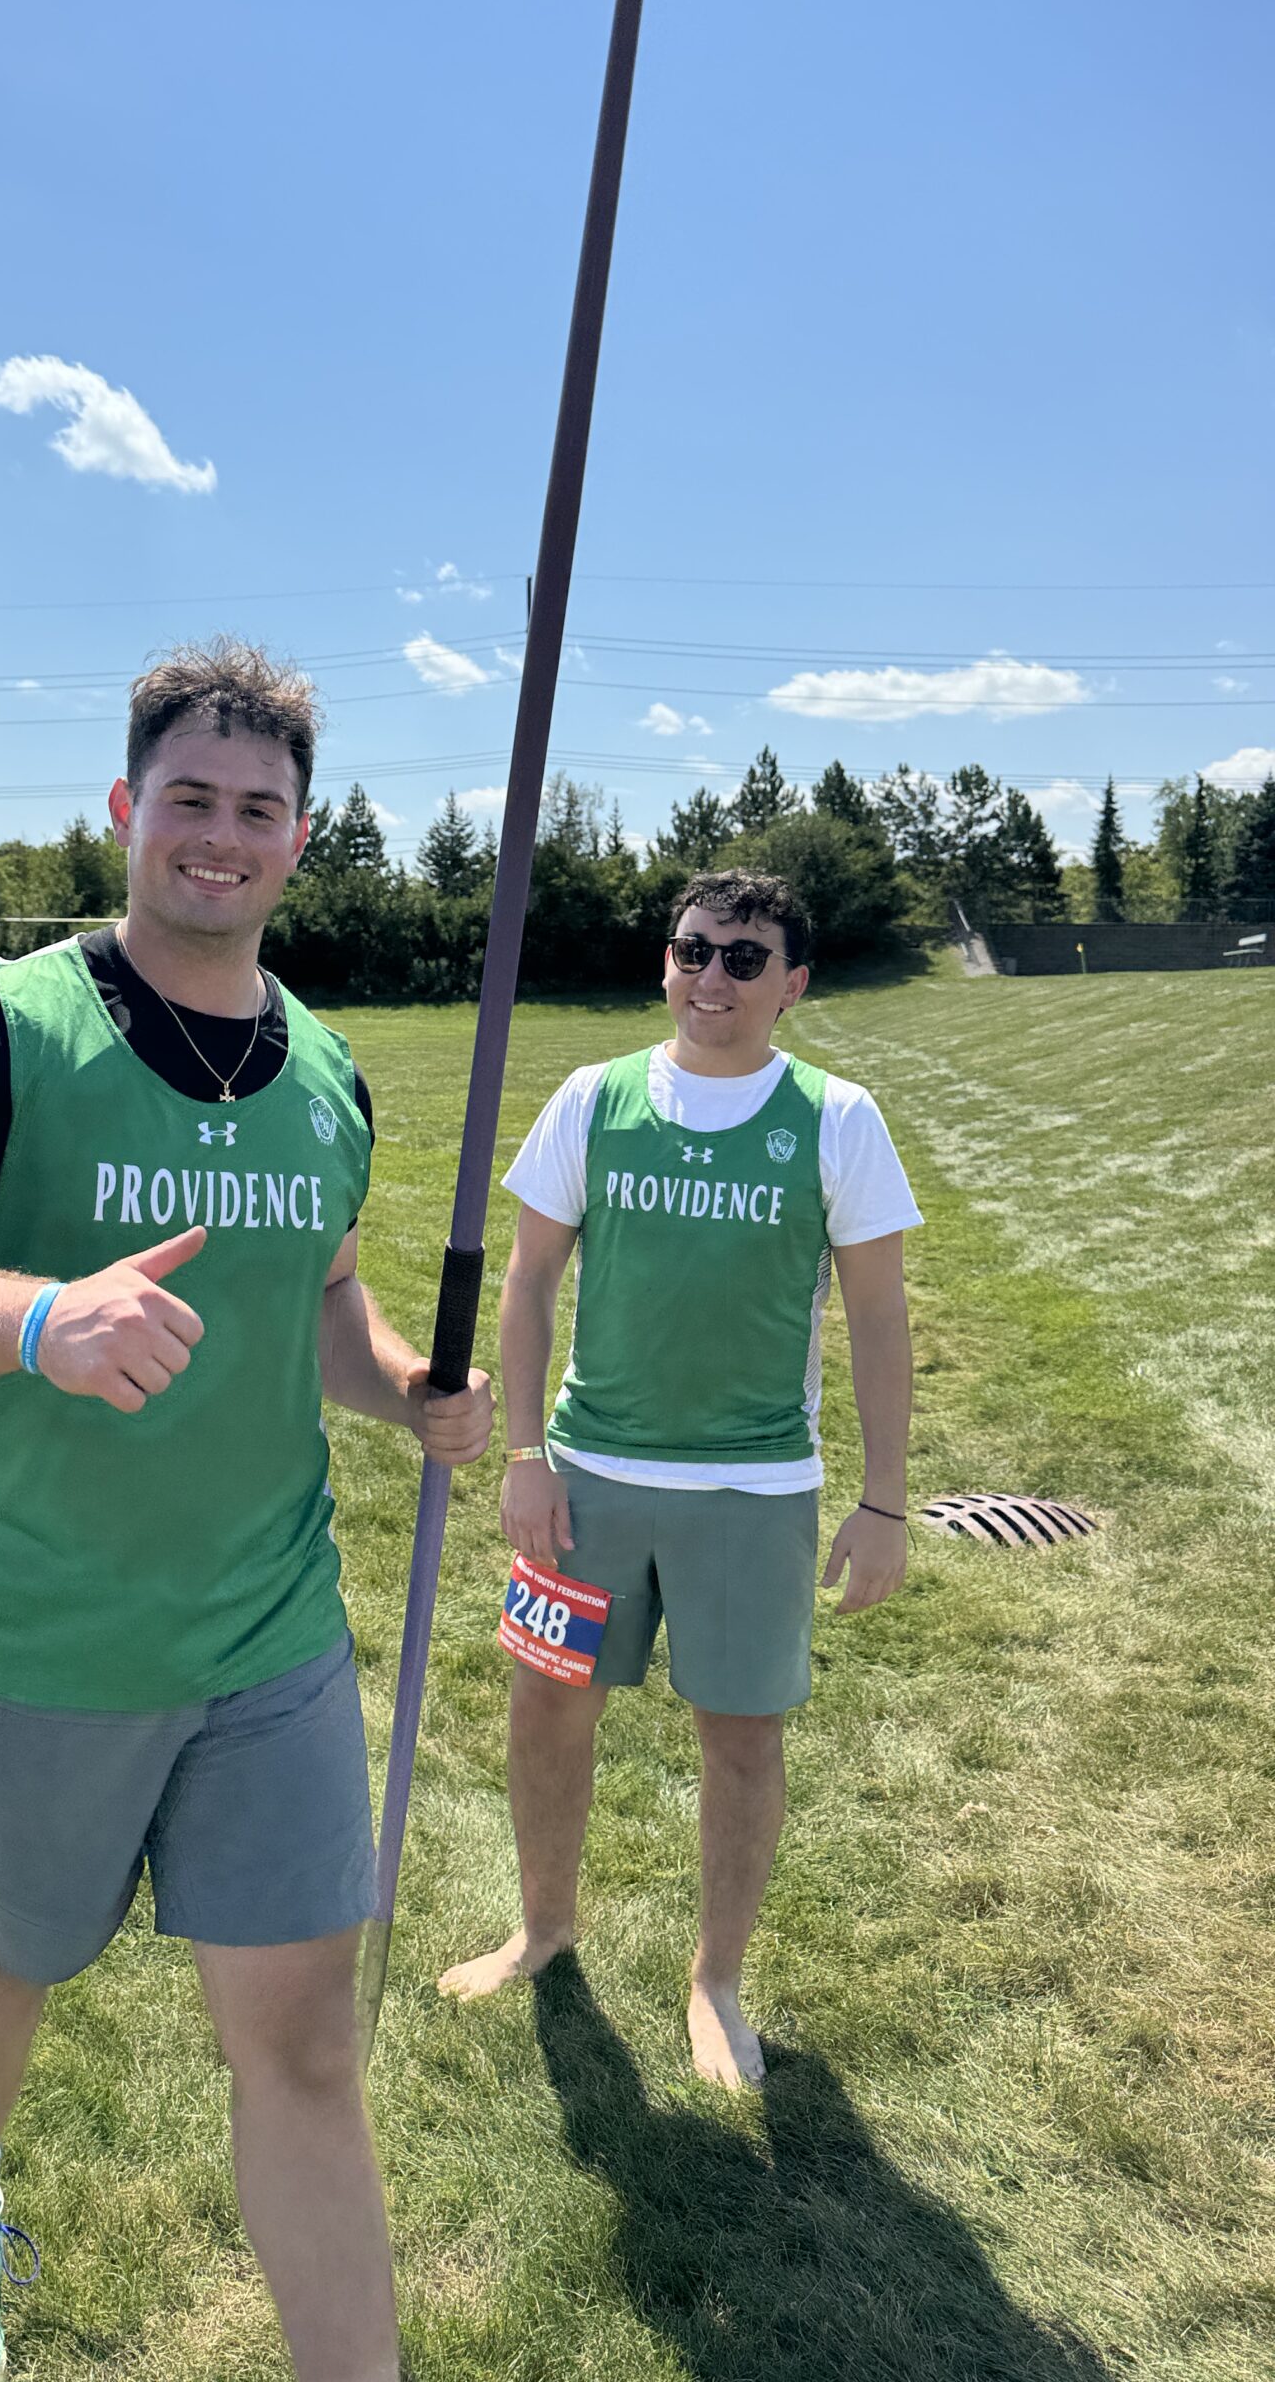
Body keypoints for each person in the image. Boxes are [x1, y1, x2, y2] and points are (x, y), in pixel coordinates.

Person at [0, 638, 492, 2382]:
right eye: (189, 797)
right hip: (38, 1624)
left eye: (259, 808)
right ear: (126, 810)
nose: (222, 833)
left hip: (267, 1630)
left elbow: (322, 1314)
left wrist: (409, 1386)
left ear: (299, 840)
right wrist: (40, 1318)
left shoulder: (330, 1073)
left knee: (311, 2047)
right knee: (5, 1963)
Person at [438, 869, 919, 2088]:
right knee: (548, 1706)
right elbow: (532, 1278)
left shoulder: (835, 1117)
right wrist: (530, 1458)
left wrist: (882, 1503)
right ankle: (543, 1928)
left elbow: (877, 1319)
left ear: (793, 985)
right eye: (692, 950)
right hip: (587, 1481)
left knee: (742, 1738)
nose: (712, 978)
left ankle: (716, 1982)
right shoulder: (594, 1099)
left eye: (745, 959)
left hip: (754, 1492)